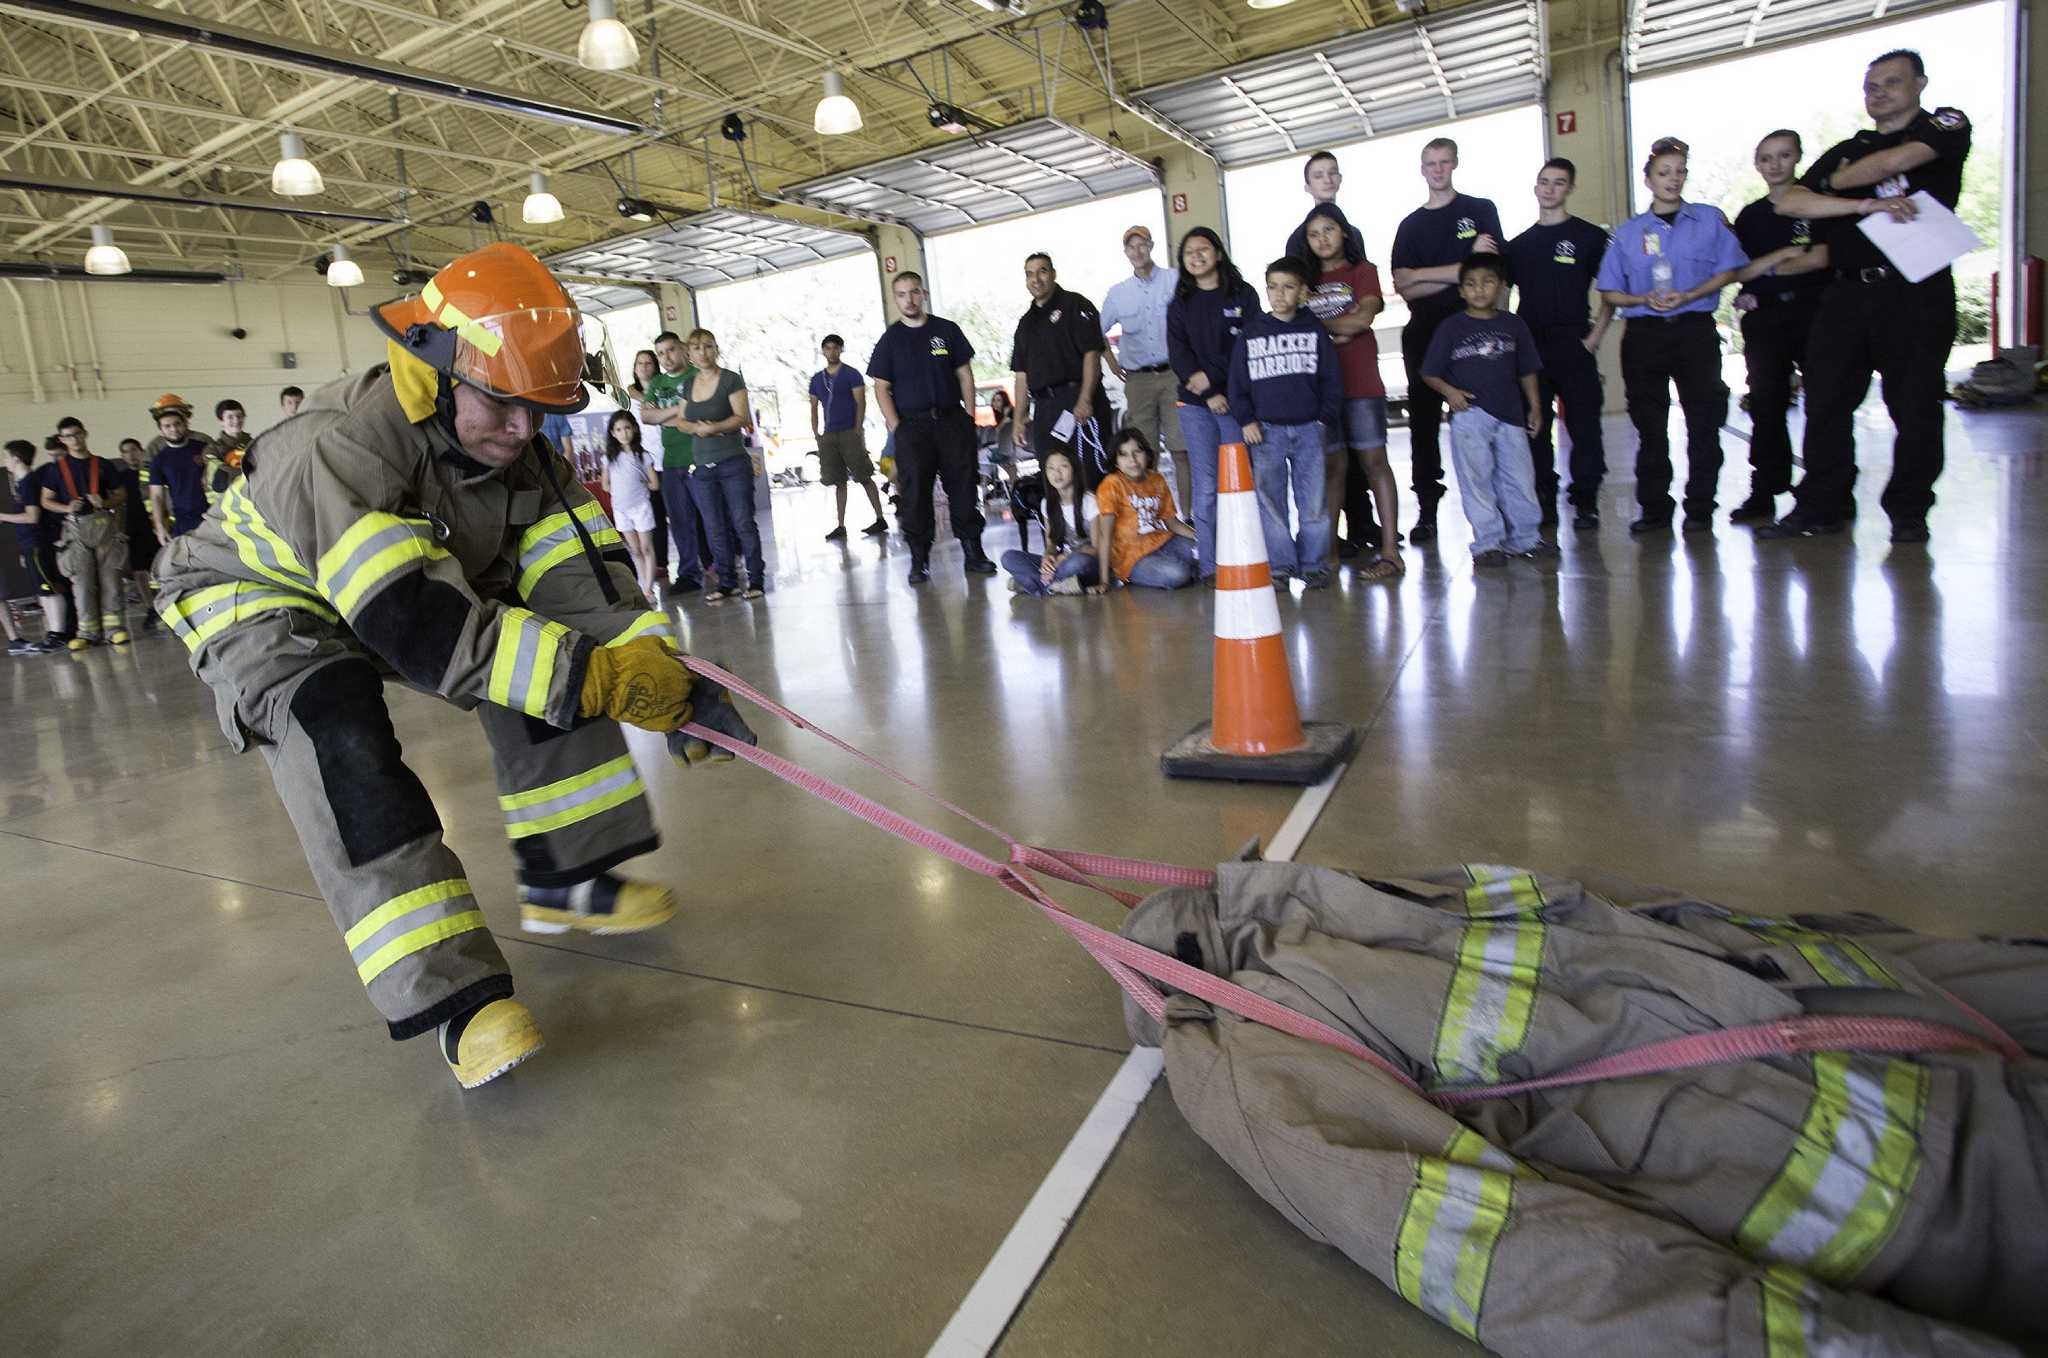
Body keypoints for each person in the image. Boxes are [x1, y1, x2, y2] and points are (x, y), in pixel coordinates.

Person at [151, 242, 745, 1090]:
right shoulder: (339, 448)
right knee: (341, 736)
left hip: (398, 592)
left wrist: (666, 673)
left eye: (539, 410)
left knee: (556, 651)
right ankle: (455, 997)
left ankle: (569, 877)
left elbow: (579, 580)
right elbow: (425, 631)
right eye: (504, 404)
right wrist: (601, 679)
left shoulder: (519, 446)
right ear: (434, 372)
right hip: (260, 601)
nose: (523, 429)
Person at [1760, 50, 1969, 544]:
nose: (1878, 93)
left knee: (1915, 405)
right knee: (1826, 401)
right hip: (1847, 292)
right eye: (1870, 85)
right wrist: (1861, 201)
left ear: (1920, 83)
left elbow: (1899, 160)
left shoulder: (1946, 125)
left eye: (1891, 83)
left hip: (1916, 289)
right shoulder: (1848, 146)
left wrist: (1833, 183)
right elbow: (1788, 200)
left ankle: (1909, 510)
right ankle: (1823, 505)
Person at [1594, 137, 1747, 534]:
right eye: (1664, 173)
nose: (1672, 179)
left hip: (1694, 331)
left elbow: (1731, 269)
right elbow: (1609, 290)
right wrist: (1642, 297)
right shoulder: (1629, 234)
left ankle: (1699, 508)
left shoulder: (1709, 220)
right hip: (1645, 334)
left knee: (1703, 421)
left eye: (1679, 172)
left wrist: (1693, 294)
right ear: (1648, 180)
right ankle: (1655, 509)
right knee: (1649, 425)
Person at [1391, 138, 1505, 544]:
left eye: (1443, 162)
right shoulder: (1411, 225)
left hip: (1475, 331)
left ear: (1455, 163)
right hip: (1424, 333)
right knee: (1423, 425)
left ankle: (1498, 511)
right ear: (1421, 169)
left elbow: (1489, 277)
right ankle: (1427, 512)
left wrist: (1426, 274)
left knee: (1484, 419)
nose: (1437, 170)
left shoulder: (1479, 210)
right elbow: (1404, 286)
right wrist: (1462, 268)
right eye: (1430, 164)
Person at [1722, 131, 1833, 526]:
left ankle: (1829, 491)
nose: (1775, 165)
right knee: (1766, 404)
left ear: (1797, 157)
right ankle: (1765, 490)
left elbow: (1821, 260)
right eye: (1767, 158)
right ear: (1757, 164)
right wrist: (1786, 255)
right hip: (1766, 318)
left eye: (1784, 156)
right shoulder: (1751, 217)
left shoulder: (1817, 206)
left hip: (1816, 313)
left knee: (1826, 404)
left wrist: (1766, 270)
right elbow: (1739, 271)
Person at [1504, 157, 1613, 530]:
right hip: (1531, 346)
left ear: (1570, 188)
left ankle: (1586, 501)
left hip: (1574, 341)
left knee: (1584, 425)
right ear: (1535, 188)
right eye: (1544, 182)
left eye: (1559, 182)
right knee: (1534, 426)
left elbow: (1612, 290)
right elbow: (1502, 299)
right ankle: (1544, 501)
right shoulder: (1517, 246)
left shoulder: (1589, 237)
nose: (1550, 188)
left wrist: (1595, 337)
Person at [1419, 254, 1548, 569]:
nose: (1479, 290)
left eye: (1488, 282)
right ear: (1461, 291)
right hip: (1470, 417)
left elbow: (1527, 369)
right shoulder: (1452, 327)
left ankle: (1526, 538)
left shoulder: (1513, 324)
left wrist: (1535, 405)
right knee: (1477, 480)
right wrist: (1450, 393)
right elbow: (1429, 372)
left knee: (1519, 478)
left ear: (1502, 287)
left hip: (1511, 416)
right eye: (1470, 284)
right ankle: (1487, 543)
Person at [868, 271, 994, 585]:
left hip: (952, 421)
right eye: (901, 294)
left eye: (913, 292)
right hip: (913, 428)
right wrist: (897, 427)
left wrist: (969, 417)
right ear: (895, 297)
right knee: (914, 496)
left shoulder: (946, 330)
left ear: (922, 293)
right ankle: (919, 559)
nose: (908, 299)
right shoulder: (890, 340)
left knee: (963, 489)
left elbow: (965, 375)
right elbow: (881, 387)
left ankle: (973, 552)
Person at [1227, 256, 1342, 588]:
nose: (1279, 294)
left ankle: (1313, 563)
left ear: (1303, 292)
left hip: (1309, 428)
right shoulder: (1252, 333)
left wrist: (1324, 418)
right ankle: (1279, 565)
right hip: (1266, 431)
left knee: (1314, 501)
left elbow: (1331, 378)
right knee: (1270, 502)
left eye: (1288, 287)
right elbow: (1237, 384)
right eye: (1273, 287)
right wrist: (1246, 420)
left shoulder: (1313, 330)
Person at [1303, 205, 1401, 581]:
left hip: (1361, 382)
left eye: (1329, 229)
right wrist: (1336, 329)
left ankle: (1390, 551)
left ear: (1344, 233)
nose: (1322, 238)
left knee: (1375, 464)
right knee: (1332, 470)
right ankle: (1328, 554)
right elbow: (1297, 323)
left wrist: (1321, 325)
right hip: (1320, 389)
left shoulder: (1364, 272)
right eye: (1314, 234)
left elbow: (1364, 318)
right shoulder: (1304, 280)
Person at [1166, 226, 1261, 580]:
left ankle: (1249, 556)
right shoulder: (1180, 305)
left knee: (1240, 483)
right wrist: (1207, 391)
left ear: (1218, 254)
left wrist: (1221, 387)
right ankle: (1211, 566)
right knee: (1206, 488)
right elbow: (1180, 356)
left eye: (1203, 249)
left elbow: (1248, 349)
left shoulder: (1244, 295)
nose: (1196, 256)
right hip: (1194, 406)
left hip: (1239, 404)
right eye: (1189, 252)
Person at [663, 329, 764, 602]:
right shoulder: (687, 385)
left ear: (716, 350)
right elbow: (681, 420)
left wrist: (716, 427)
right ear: (689, 353)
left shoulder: (731, 379)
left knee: (742, 521)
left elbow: (741, 417)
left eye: (708, 347)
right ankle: (726, 582)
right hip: (703, 467)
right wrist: (696, 427)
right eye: (696, 348)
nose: (703, 352)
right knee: (713, 526)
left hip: (732, 462)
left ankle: (755, 579)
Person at [1099, 224, 1186, 514]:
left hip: (1175, 375)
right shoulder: (1118, 293)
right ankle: (1149, 519)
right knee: (1142, 454)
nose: (1137, 251)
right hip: (1138, 381)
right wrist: (1111, 362)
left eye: (1142, 245)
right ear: (1125, 252)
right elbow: (1095, 330)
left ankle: (1188, 519)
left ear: (1151, 246)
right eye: (1131, 247)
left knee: (1181, 448)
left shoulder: (1175, 280)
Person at [1009, 252, 1113, 487]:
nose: (1036, 279)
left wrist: (1085, 398)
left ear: (1053, 274)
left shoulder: (1076, 304)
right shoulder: (1025, 324)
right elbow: (1021, 375)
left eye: (1042, 271)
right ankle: (1059, 524)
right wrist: (1018, 420)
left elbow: (1092, 354)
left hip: (1079, 400)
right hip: (1045, 408)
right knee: (1054, 477)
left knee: (1090, 473)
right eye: (1029, 274)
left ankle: (1097, 524)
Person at [39, 417, 131, 648]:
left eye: (78, 434)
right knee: (81, 583)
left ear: (85, 434)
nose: (75, 439)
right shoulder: (55, 470)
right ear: (62, 439)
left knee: (110, 578)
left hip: (103, 525)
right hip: (74, 528)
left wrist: (105, 500)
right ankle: (87, 632)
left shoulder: (102, 465)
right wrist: (66, 507)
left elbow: (121, 494)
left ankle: (115, 628)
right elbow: (46, 500)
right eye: (69, 436)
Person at [635, 329, 709, 593]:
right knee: (679, 521)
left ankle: (724, 571)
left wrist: (664, 414)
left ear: (683, 350)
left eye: (670, 350)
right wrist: (680, 410)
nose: (666, 357)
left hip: (701, 457)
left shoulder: (698, 377)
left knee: (711, 518)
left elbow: (698, 411)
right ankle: (690, 575)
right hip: (670, 461)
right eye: (660, 353)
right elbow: (646, 417)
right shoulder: (656, 384)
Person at [1089, 428, 1198, 592]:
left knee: (1202, 551)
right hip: (1130, 557)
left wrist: (1202, 539)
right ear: (1116, 461)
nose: (1132, 459)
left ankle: (1178, 567)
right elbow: (1106, 535)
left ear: (1147, 454)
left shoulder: (1156, 479)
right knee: (1178, 574)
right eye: (1123, 455)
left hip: (1160, 542)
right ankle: (1137, 574)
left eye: (1137, 452)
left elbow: (1172, 523)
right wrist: (1103, 581)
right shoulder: (1111, 485)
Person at [808, 334, 887, 541]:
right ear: (823, 351)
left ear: (841, 349)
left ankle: (880, 517)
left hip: (849, 433)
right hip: (829, 435)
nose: (831, 352)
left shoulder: (852, 374)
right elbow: (814, 407)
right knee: (837, 480)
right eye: (827, 348)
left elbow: (860, 402)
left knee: (864, 475)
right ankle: (840, 525)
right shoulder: (817, 379)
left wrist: (857, 429)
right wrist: (816, 433)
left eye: (835, 348)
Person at [1000, 446, 1098, 596]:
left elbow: (1098, 549)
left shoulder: (1089, 501)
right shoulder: (1048, 503)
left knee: (1078, 561)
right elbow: (1051, 544)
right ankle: (1056, 585)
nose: (1057, 473)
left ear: (1075, 469)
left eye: (1063, 467)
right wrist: (1048, 557)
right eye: (1051, 468)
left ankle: (1034, 585)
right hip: (1061, 564)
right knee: (1008, 557)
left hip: (1086, 563)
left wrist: (1065, 557)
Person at [2, 439, 64, 651]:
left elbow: (32, 516)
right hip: (29, 544)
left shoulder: (29, 482)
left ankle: (58, 633)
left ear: (16, 459)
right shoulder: (21, 483)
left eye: (6, 457)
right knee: (41, 591)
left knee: (49, 589)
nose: (4, 461)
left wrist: (3, 516)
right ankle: (52, 632)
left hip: (38, 543)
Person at [599, 410, 661, 597]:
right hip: (621, 509)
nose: (623, 433)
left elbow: (654, 484)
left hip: (641, 507)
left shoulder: (643, 456)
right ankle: (642, 585)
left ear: (634, 429)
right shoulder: (609, 458)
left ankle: (648, 588)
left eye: (627, 428)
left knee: (646, 548)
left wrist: (640, 484)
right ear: (612, 433)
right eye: (618, 429)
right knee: (634, 550)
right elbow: (605, 484)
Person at [624, 348, 671, 582]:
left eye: (648, 363)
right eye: (639, 363)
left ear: (656, 366)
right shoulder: (628, 397)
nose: (644, 367)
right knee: (655, 516)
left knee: (683, 514)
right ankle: (661, 563)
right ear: (634, 369)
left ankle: (703, 559)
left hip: (670, 459)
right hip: (646, 465)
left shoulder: (664, 391)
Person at [145, 394, 211, 543]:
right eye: (167, 426)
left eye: (177, 424)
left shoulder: (205, 448)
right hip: (183, 522)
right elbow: (156, 496)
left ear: (185, 423)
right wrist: (160, 526)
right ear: (161, 430)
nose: (173, 429)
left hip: (213, 517)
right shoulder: (158, 459)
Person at [1283, 150, 1368, 267]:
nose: (1328, 180)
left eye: (1332, 173)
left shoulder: (1354, 233)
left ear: (1340, 179)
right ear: (1307, 187)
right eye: (1318, 176)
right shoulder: (1298, 238)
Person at [116, 437, 158, 631]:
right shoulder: (121, 477)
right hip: (134, 527)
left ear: (141, 450)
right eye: (125, 451)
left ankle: (167, 604)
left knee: (159, 567)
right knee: (139, 570)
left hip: (155, 523)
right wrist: (120, 530)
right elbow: (117, 506)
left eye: (133, 449)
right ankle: (151, 608)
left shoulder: (152, 471)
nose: (130, 454)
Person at [208, 399, 252, 497]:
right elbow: (217, 486)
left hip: (252, 502)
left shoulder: (253, 444)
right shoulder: (212, 450)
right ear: (221, 421)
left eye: (239, 416)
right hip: (224, 504)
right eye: (230, 417)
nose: (236, 420)